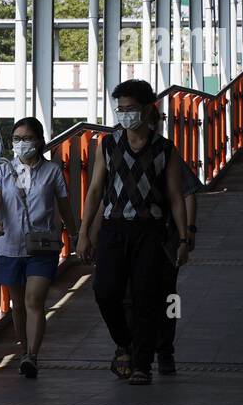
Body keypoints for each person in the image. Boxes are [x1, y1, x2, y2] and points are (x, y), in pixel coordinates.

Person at [77, 80, 191, 385]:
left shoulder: (164, 149)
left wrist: (183, 238)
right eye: (121, 109)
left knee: (146, 297)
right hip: (113, 228)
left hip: (150, 230)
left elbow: (177, 196)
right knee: (105, 291)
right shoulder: (108, 144)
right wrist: (84, 232)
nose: (125, 115)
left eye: (131, 109)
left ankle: (142, 364)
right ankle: (123, 343)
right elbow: (95, 190)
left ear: (147, 109)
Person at [0, 116, 78, 379]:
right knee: (18, 304)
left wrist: (76, 233)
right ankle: (24, 350)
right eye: (16, 139)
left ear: (39, 141)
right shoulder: (2, 171)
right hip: (10, 245)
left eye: (26, 138)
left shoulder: (52, 171)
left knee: (33, 300)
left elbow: (64, 206)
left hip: (42, 246)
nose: (21, 143)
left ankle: (32, 356)